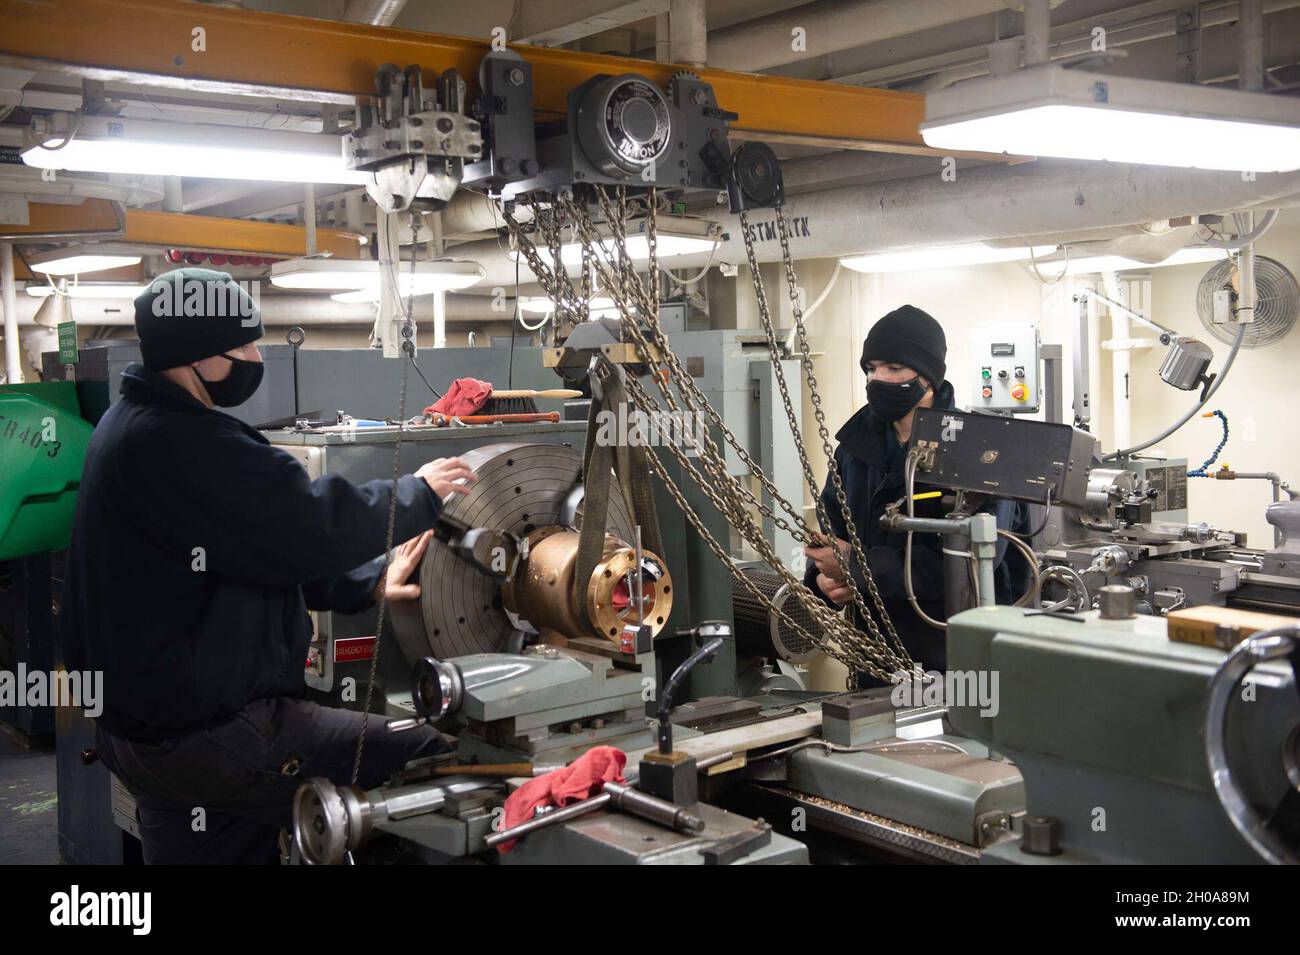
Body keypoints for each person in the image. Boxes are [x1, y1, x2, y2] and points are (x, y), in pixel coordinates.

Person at [62, 268, 474, 863]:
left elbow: (255, 549)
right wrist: (419, 494)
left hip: (141, 736)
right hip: (205, 734)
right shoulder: (180, 441)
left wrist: (366, 582)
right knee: (434, 759)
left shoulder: (128, 426)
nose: (257, 358)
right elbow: (308, 524)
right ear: (197, 356)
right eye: (244, 347)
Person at [803, 304, 1029, 682]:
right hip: (877, 660)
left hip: (956, 662)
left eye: (893, 368)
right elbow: (833, 535)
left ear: (928, 379)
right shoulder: (854, 451)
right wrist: (823, 581)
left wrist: (859, 568)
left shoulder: (980, 453)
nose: (877, 379)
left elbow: (972, 564)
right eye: (871, 368)